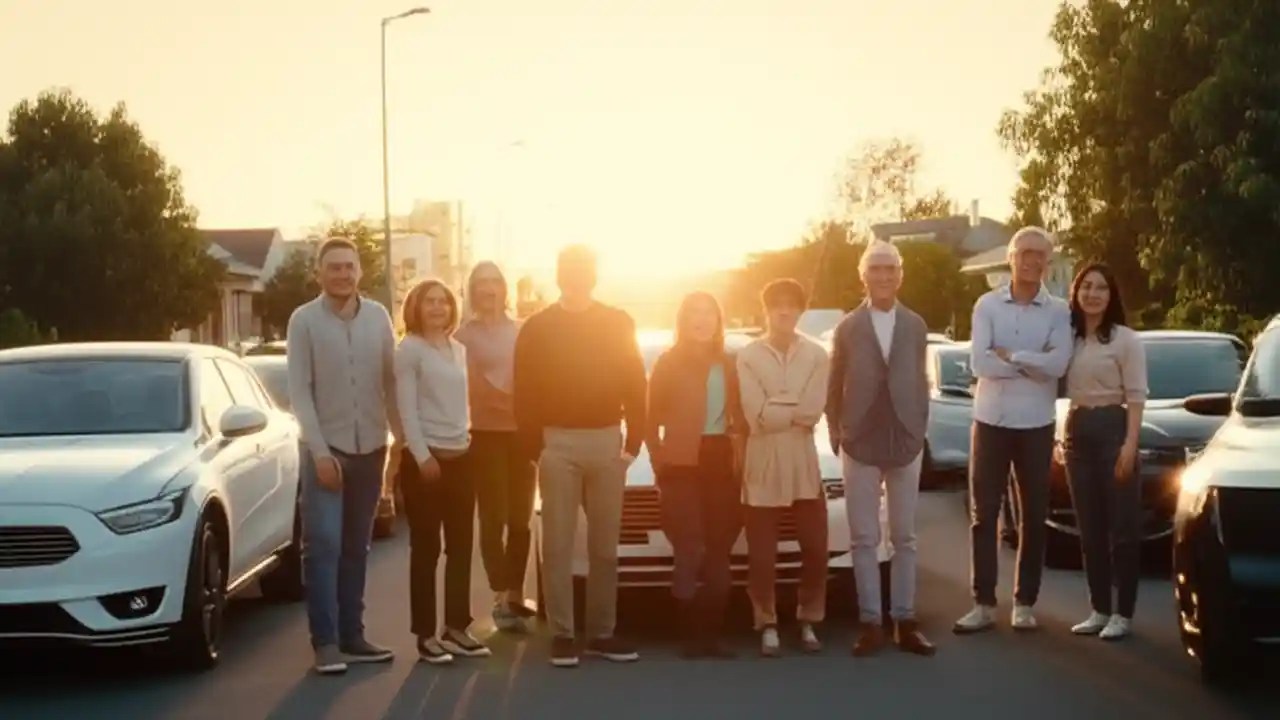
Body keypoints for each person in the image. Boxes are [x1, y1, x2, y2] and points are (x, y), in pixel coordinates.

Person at [513, 244, 646, 668]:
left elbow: (635, 382)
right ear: (559, 275)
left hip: (608, 441)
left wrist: (633, 442)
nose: (577, 276)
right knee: (557, 544)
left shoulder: (617, 322)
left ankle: (602, 633)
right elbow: (525, 390)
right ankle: (564, 634)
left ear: (594, 275)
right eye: (569, 269)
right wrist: (535, 447)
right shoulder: (538, 327)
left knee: (605, 547)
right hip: (558, 444)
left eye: (584, 269)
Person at [286, 237, 402, 675]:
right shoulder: (304, 321)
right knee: (323, 546)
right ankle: (326, 642)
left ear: (359, 272)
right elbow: (299, 391)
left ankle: (354, 635)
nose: (342, 274)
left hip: (371, 447)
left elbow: (391, 382)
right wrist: (318, 452)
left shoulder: (378, 318)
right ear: (320, 273)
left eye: (348, 267)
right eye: (333, 267)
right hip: (326, 451)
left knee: (357, 546)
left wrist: (401, 441)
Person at [954, 227, 1072, 634]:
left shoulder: (1058, 311)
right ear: (1011, 257)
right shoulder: (987, 305)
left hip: (1037, 424)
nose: (1031, 261)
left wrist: (1014, 356)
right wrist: (1032, 364)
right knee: (983, 514)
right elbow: (980, 365)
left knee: (1034, 516)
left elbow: (1058, 367)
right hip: (991, 421)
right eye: (1024, 253)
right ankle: (983, 603)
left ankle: (1024, 602)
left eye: (1040, 255)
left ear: (1048, 262)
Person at [826, 241, 935, 657]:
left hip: (906, 438)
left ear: (900, 275)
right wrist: (837, 432)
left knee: (904, 536)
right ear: (864, 275)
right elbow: (834, 385)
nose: (884, 276)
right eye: (876, 269)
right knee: (864, 537)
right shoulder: (848, 328)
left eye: (890, 268)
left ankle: (905, 620)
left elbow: (919, 383)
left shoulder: (916, 325)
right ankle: (870, 621)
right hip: (860, 440)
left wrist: (920, 425)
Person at [645, 291, 747, 658]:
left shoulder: (732, 363)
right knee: (690, 547)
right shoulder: (668, 363)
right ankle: (687, 631)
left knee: (719, 550)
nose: (702, 320)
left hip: (721, 459)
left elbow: (744, 414)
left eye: (709, 313)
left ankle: (711, 635)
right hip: (681, 465)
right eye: (694, 313)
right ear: (683, 321)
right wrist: (661, 463)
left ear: (719, 321)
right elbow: (648, 421)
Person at [394, 278, 490, 664]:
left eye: (444, 302)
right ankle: (425, 635)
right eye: (429, 302)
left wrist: (466, 441)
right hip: (426, 461)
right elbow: (407, 408)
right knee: (426, 548)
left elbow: (460, 404)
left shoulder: (458, 350)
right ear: (416, 308)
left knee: (462, 545)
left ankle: (456, 628)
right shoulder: (409, 351)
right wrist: (421, 455)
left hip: (461, 455)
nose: (438, 308)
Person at [736, 278, 830, 657]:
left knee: (815, 547)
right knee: (762, 554)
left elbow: (813, 411)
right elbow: (755, 415)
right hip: (761, 461)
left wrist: (779, 408)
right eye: (777, 305)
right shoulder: (748, 356)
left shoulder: (818, 355)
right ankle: (767, 622)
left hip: (803, 463)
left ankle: (808, 619)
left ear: (801, 311)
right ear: (767, 310)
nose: (785, 312)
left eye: (792, 305)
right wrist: (788, 410)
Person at [1062, 263, 1147, 641]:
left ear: (1111, 296)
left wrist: (1130, 443)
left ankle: (1123, 613)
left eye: (1100, 288)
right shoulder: (1070, 338)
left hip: (1114, 428)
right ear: (1076, 293)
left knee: (1122, 529)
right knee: (1090, 528)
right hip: (1077, 430)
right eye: (1086, 287)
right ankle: (1099, 609)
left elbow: (1136, 396)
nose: (1092, 294)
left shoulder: (1126, 340)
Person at [455, 261, 537, 633]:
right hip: (483, 435)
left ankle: (516, 593)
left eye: (495, 282)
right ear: (473, 290)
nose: (489, 289)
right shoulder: (461, 337)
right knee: (494, 517)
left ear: (504, 289)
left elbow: (537, 380)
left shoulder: (523, 332)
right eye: (481, 282)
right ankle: (499, 593)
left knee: (520, 519)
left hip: (521, 435)